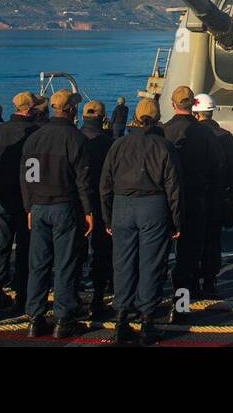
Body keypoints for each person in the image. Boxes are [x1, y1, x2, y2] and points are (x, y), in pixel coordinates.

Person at [100, 98, 181, 345]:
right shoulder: (164, 146)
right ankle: (147, 323)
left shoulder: (119, 145)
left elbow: (105, 184)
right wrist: (176, 222)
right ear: (157, 117)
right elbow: (173, 188)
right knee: (151, 265)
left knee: (123, 264)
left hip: (123, 206)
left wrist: (107, 217)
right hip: (153, 206)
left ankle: (121, 320)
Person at [21, 89, 94, 338]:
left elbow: (28, 177)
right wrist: (88, 211)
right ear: (72, 110)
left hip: (39, 206)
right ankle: (63, 318)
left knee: (38, 264)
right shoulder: (75, 139)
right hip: (65, 206)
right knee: (65, 264)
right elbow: (83, 180)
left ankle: (35, 316)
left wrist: (29, 207)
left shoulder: (34, 138)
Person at [161, 85, 218, 301]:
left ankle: (152, 301)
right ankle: (184, 301)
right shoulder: (206, 133)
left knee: (159, 252)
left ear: (172, 105)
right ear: (193, 104)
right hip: (196, 198)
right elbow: (215, 166)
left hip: (166, 200)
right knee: (189, 253)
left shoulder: (164, 131)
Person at [0, 91, 41, 314]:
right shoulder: (35, 133)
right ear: (29, 110)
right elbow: (33, 171)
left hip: (2, 197)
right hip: (25, 197)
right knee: (26, 247)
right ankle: (21, 291)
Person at [192, 93, 233, 296]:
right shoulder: (225, 137)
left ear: (196, 114)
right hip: (216, 199)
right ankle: (209, 284)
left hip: (193, 200)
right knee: (213, 241)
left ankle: (188, 293)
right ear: (212, 112)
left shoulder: (189, 137)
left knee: (192, 243)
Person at [78, 99, 115, 322]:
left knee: (72, 253)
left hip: (77, 203)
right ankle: (98, 298)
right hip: (101, 202)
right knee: (102, 250)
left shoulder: (75, 139)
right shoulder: (108, 143)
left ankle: (71, 298)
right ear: (103, 118)